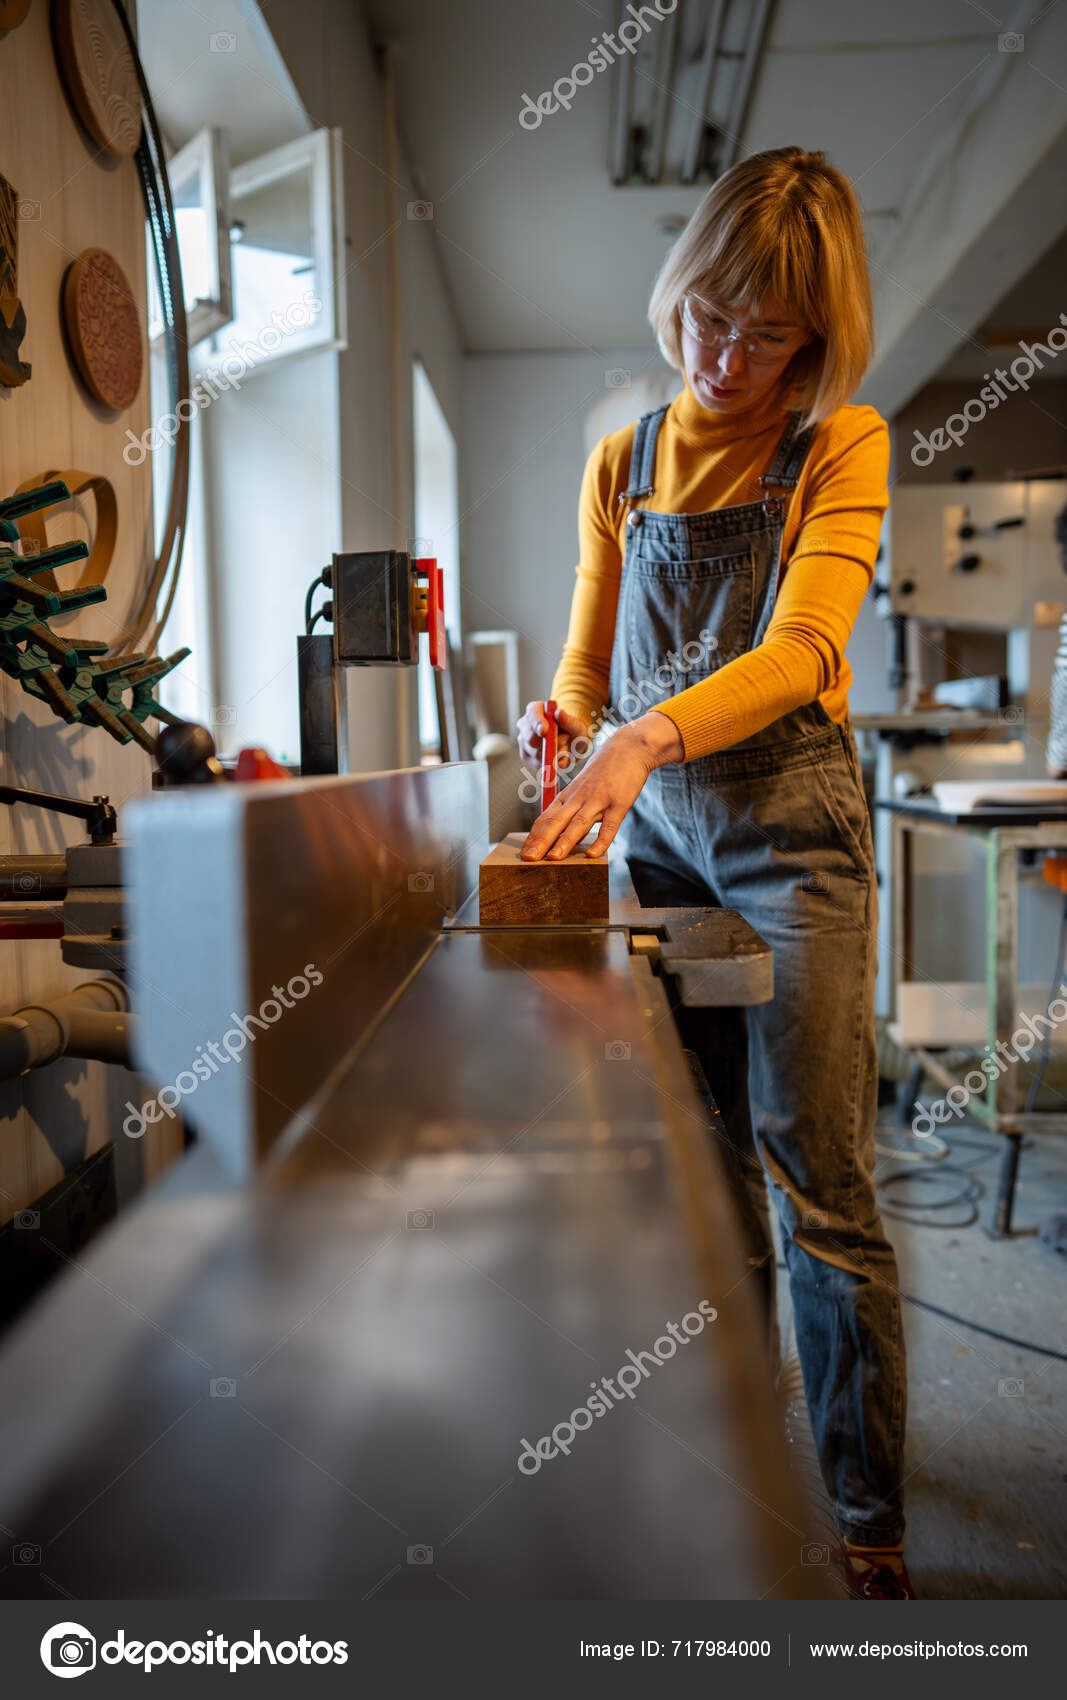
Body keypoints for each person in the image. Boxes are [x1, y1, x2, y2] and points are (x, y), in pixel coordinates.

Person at [516, 146, 911, 1600]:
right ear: (677, 291)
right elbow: (585, 653)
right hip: (663, 837)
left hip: (791, 831)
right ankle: (741, 1476)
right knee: (700, 1181)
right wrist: (567, 727)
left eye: (766, 334)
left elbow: (806, 652)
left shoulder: (842, 444)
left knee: (821, 1176)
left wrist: (638, 739)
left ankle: (867, 1520)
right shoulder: (621, 459)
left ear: (816, 339)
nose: (725, 358)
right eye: (705, 316)